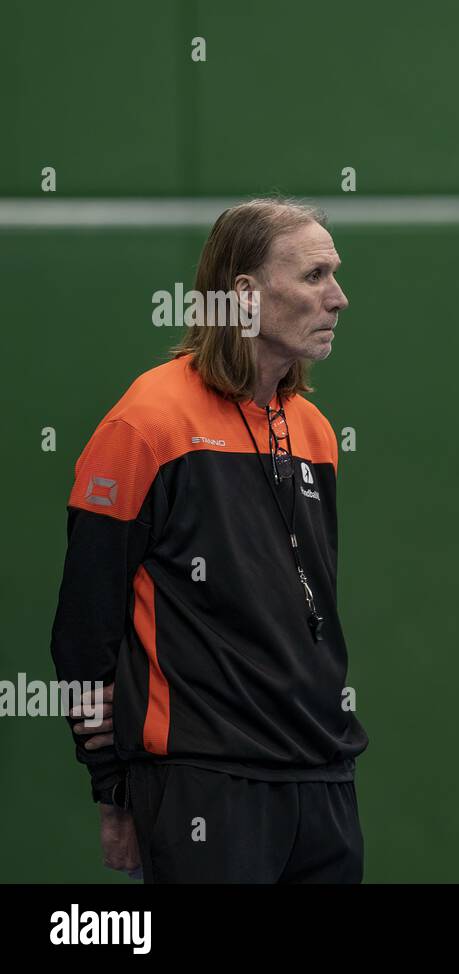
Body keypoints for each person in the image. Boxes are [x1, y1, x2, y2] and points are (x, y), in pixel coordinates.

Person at [49, 197, 368, 882]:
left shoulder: (314, 432)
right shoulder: (147, 422)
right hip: (206, 786)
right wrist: (113, 792)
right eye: (314, 276)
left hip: (323, 778)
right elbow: (83, 632)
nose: (338, 298)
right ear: (246, 296)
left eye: (334, 275)